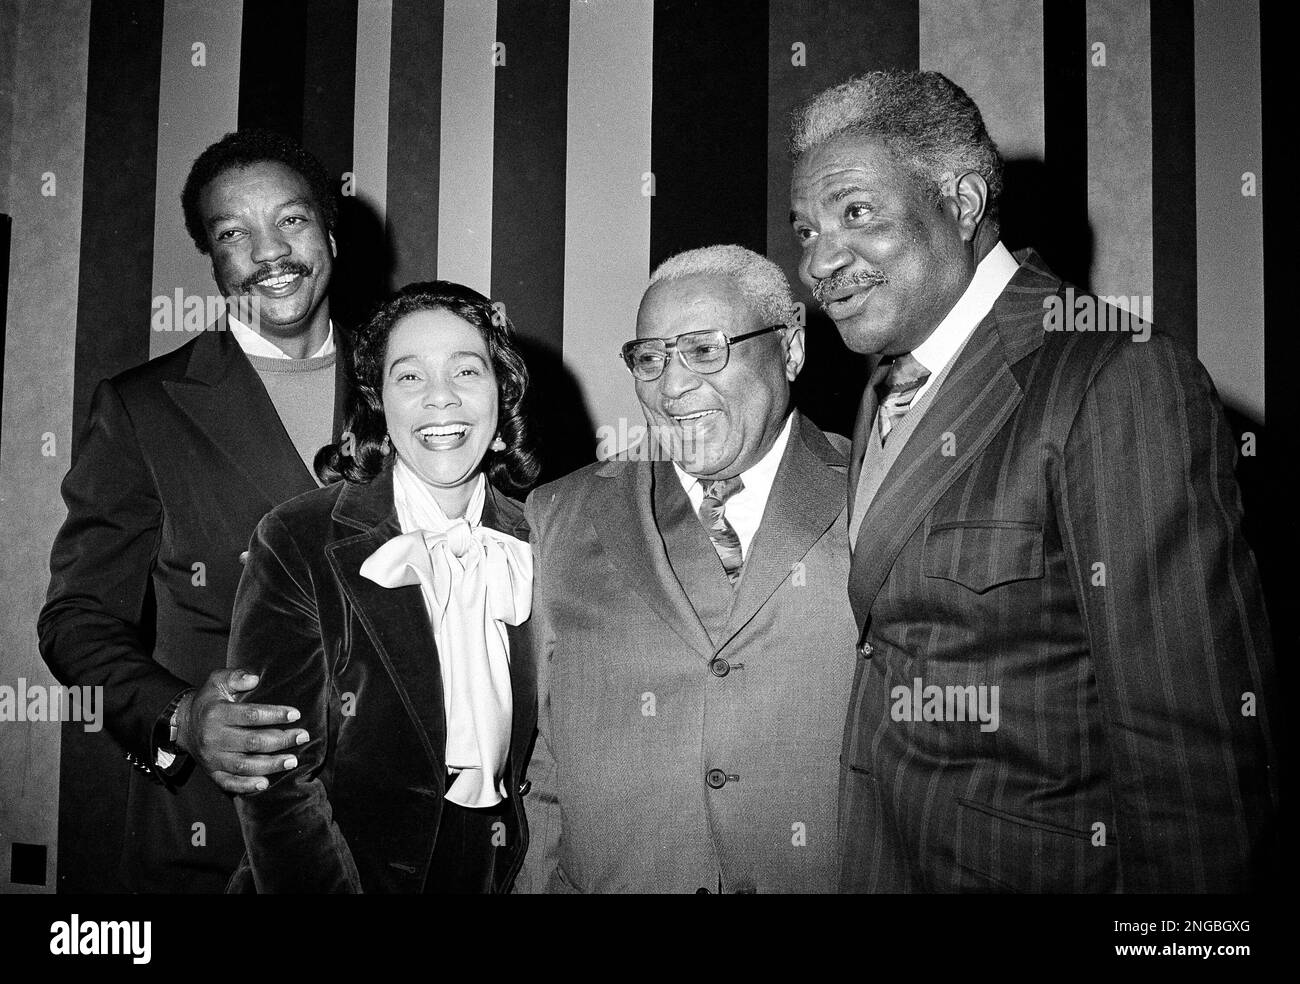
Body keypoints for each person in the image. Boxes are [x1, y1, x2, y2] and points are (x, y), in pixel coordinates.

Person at [788, 70, 1278, 892]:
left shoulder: (1117, 377)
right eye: (804, 230)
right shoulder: (884, 382)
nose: (819, 261)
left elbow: (1193, 749)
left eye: (855, 213)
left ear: (964, 202)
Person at [38, 130, 347, 892]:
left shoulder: (412, 384)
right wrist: (179, 719)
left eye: (292, 220)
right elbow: (75, 617)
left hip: (396, 827)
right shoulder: (143, 408)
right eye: (234, 234)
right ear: (214, 264)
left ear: (331, 233)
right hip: (223, 832)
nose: (270, 252)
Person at [515, 245, 858, 893]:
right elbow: (540, 763)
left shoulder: (880, 493)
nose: (671, 388)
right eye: (649, 359)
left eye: (704, 350)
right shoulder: (559, 515)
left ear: (789, 348)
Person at [225, 281, 539, 893]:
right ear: (380, 406)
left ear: (501, 398)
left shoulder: (542, 536)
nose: (441, 399)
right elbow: (279, 780)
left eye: (467, 372)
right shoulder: (298, 539)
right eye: (410, 377)